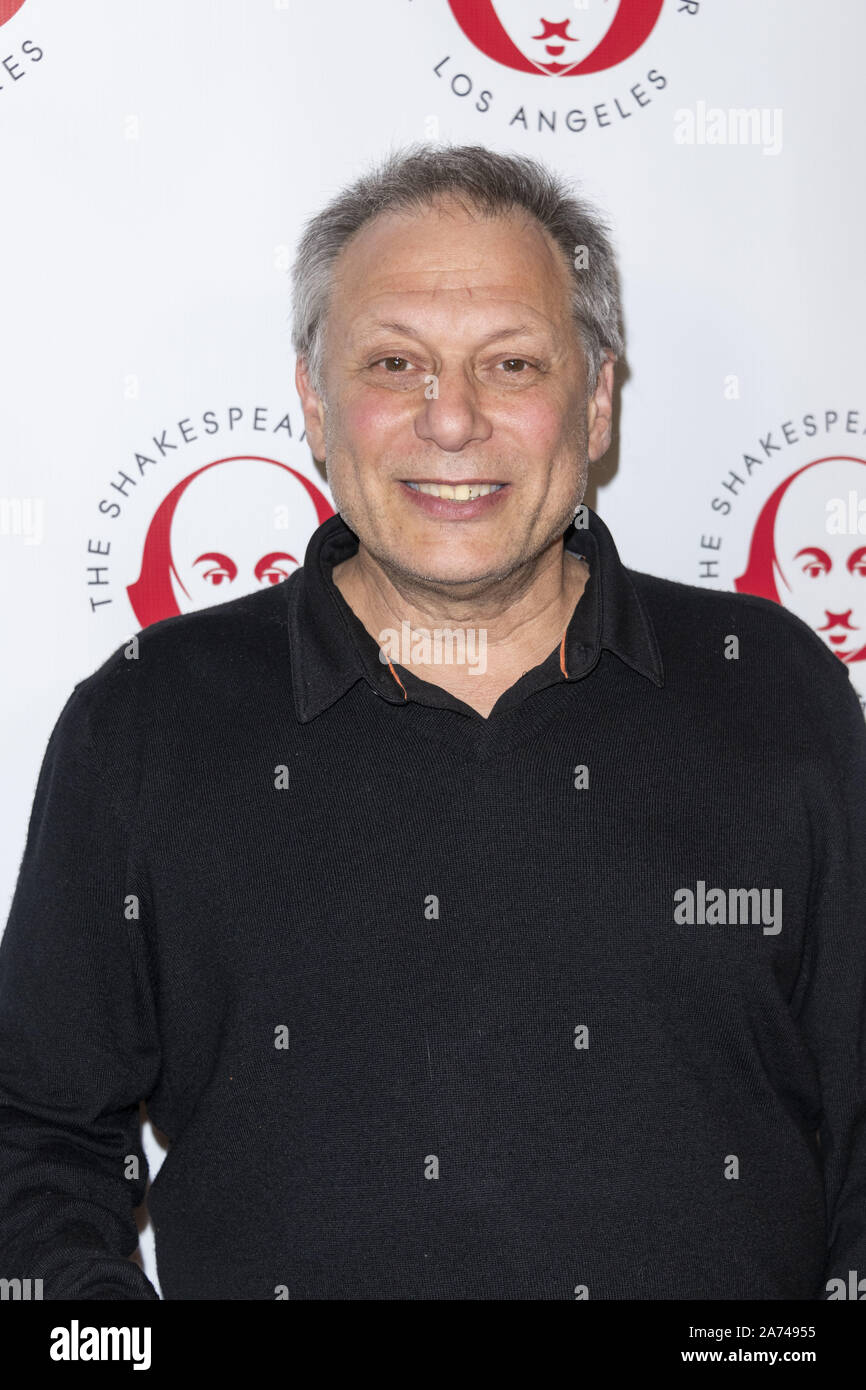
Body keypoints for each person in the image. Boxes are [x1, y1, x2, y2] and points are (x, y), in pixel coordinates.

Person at [0, 143, 863, 1301]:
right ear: (314, 401)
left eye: (510, 363)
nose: (449, 419)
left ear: (595, 399)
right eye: (394, 362)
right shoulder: (148, 717)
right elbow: (34, 1142)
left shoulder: (768, 688)